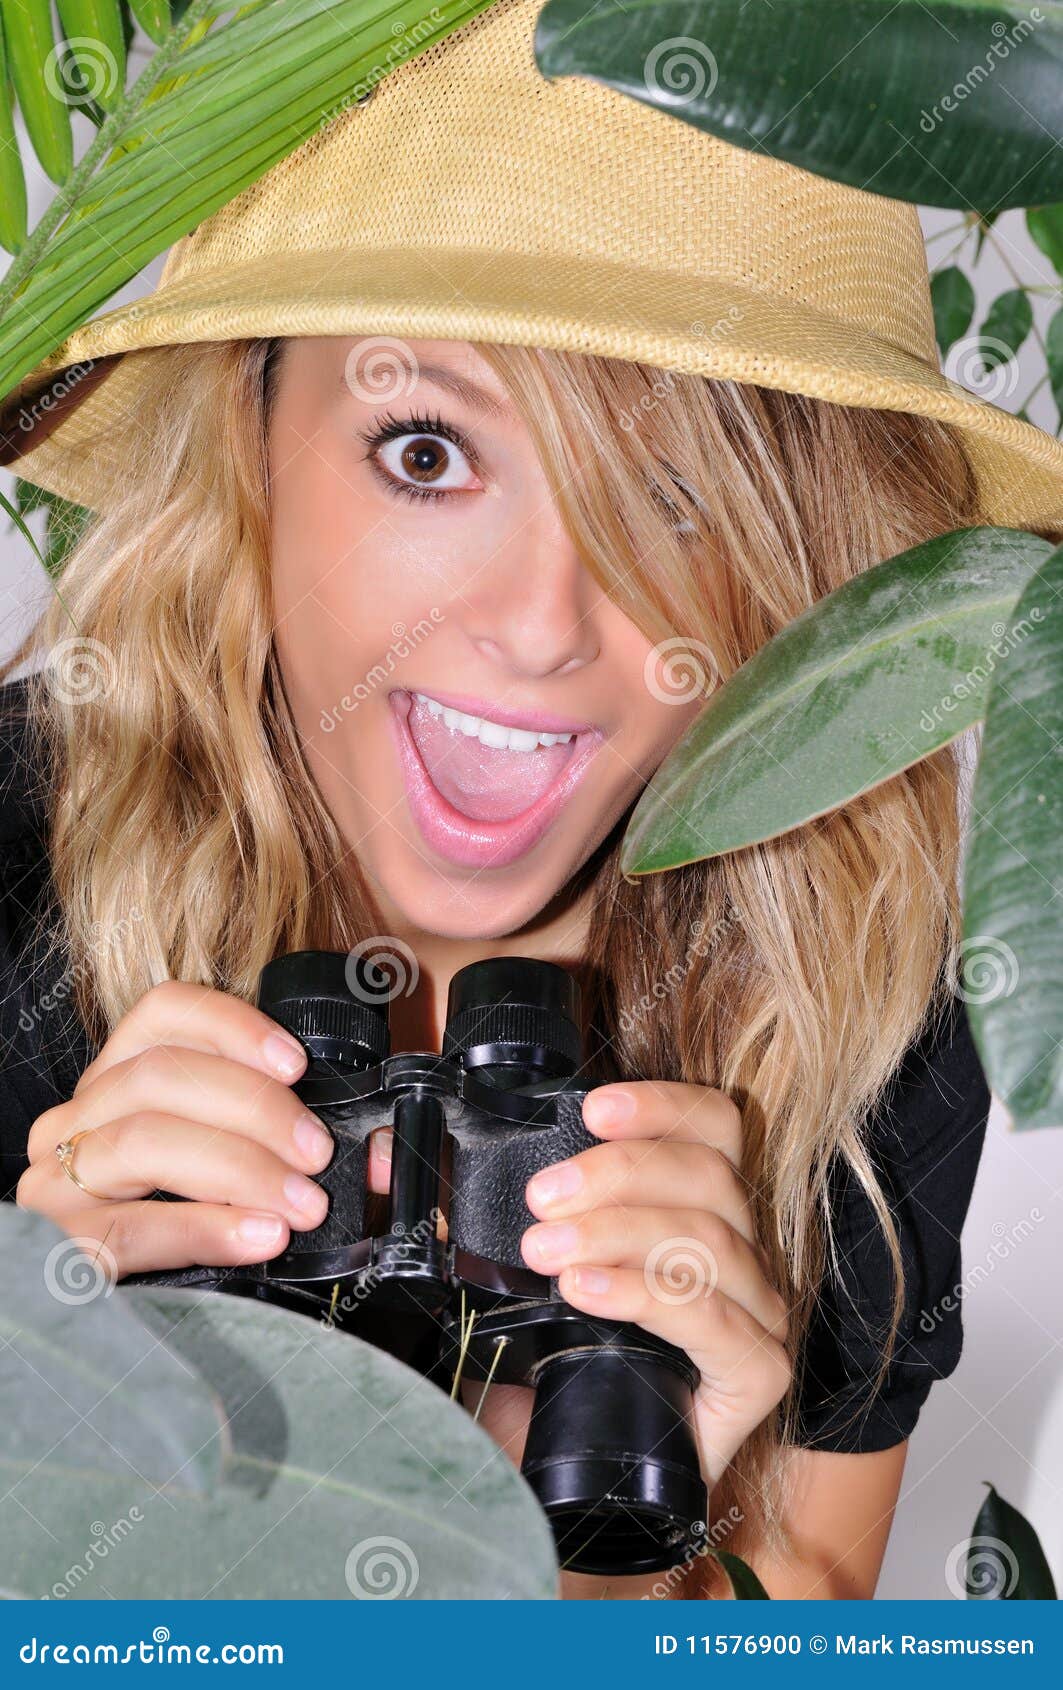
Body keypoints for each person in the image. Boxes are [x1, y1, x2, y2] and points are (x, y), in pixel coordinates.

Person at [1, 0, 1059, 1601]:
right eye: (428, 450)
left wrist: (642, 1562)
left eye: (677, 488)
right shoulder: (28, 842)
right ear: (251, 442)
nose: (548, 620)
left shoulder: (859, 964)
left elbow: (821, 1604)